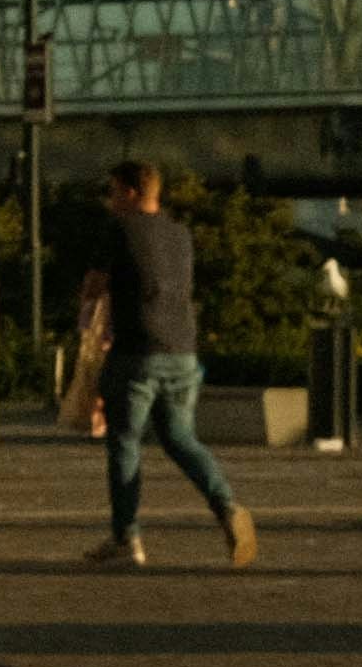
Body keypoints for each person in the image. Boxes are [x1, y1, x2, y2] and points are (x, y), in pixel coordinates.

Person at [82, 159, 257, 570]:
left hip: (136, 354)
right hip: (182, 352)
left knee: (125, 443)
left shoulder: (118, 229)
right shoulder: (181, 235)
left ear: (129, 191)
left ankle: (127, 538)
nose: (110, 200)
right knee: (180, 437)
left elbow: (92, 289)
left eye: (112, 191)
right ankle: (227, 505)